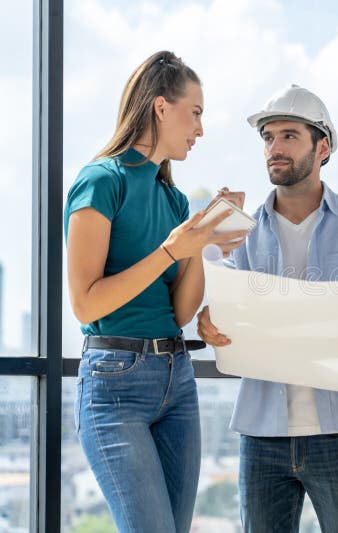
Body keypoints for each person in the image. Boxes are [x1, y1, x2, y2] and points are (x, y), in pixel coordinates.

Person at [196, 84, 338, 533]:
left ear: (323, 147)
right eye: (268, 137)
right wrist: (209, 322)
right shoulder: (242, 233)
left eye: (289, 136)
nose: (275, 147)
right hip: (263, 435)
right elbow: (217, 306)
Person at [64, 51, 247, 533]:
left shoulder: (174, 199)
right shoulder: (101, 181)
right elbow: (85, 302)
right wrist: (170, 251)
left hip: (177, 379)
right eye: (197, 112)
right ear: (161, 108)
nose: (201, 129)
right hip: (114, 384)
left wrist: (205, 242)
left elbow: (181, 310)